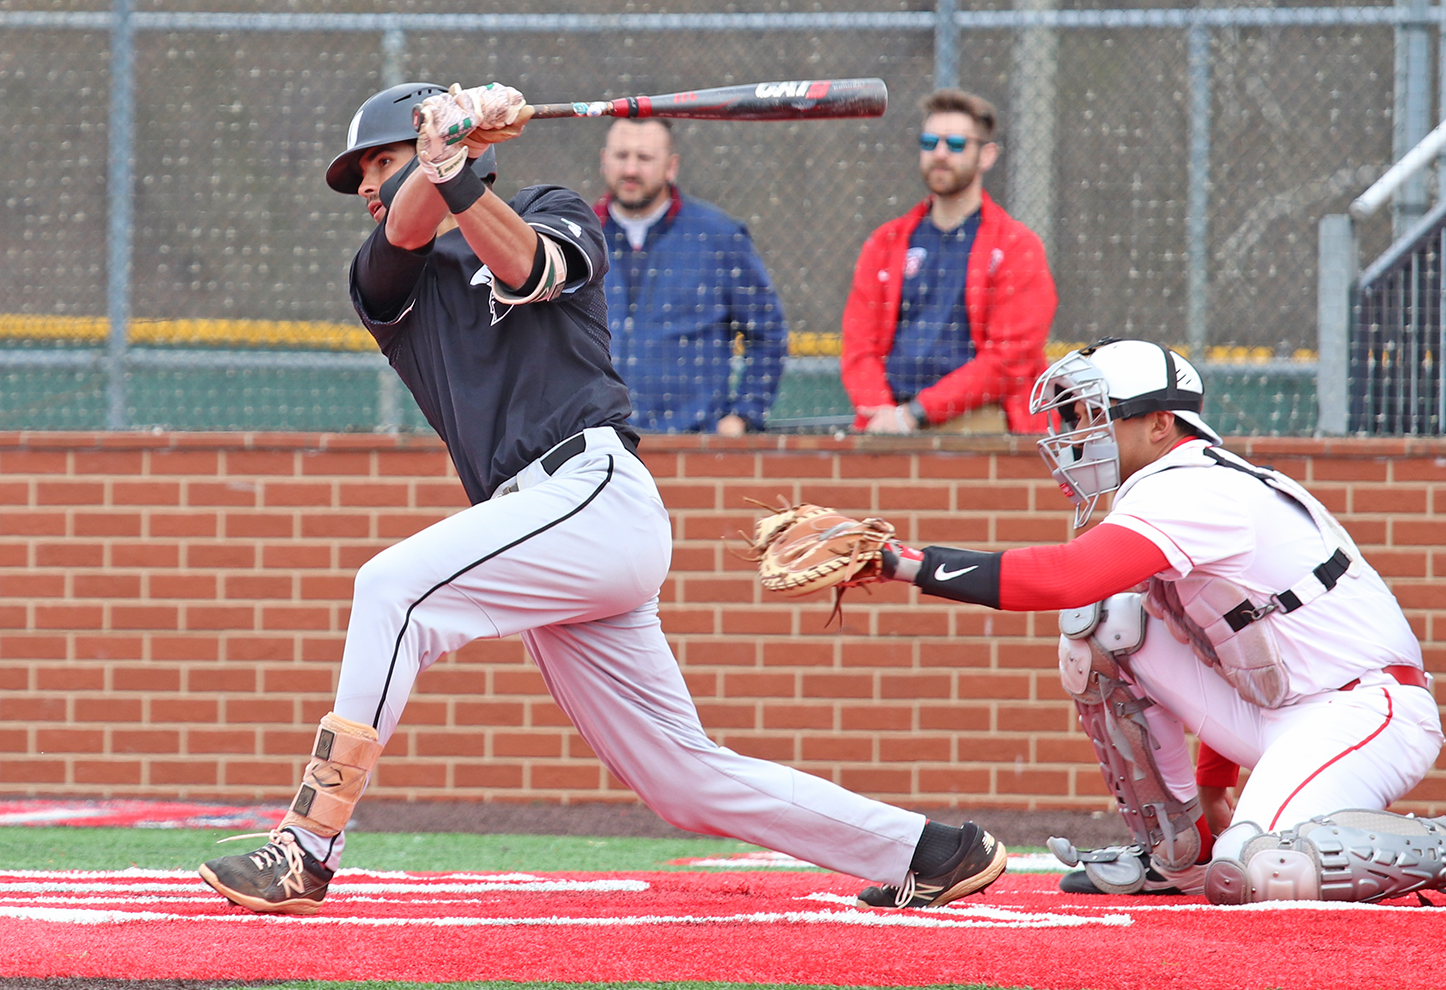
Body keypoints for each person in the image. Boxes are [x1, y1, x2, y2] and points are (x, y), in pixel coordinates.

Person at [197, 81, 1007, 916]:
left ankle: (307, 848)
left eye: (382, 160)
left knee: (390, 589)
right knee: (680, 779)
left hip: (592, 494)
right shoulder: (386, 278)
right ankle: (929, 850)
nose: (367, 184)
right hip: (535, 529)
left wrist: (453, 164)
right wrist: (441, 158)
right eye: (362, 172)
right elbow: (406, 225)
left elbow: (527, 268)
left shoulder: (551, 209)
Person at [844, 337, 1446, 906]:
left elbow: (1065, 576)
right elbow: (1232, 644)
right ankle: (1176, 854)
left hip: (1366, 711)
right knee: (1105, 623)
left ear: (1161, 423)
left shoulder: (1195, 486)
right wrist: (1215, 783)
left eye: (1094, 415)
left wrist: (901, 562)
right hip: (1284, 709)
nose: (1075, 433)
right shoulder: (1170, 485)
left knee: (1261, 871)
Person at [840, 89, 1056, 435]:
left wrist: (918, 413)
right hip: (890, 417)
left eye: (955, 144)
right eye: (930, 142)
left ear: (986, 155)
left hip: (979, 417)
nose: (940, 153)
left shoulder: (1017, 246)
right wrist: (884, 412)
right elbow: (858, 347)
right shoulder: (885, 243)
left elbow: (1009, 360)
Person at [594, 118, 789, 435]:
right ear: (604, 160)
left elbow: (768, 332)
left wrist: (743, 416)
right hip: (594, 443)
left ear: (671, 167)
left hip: (692, 441)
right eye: (621, 156)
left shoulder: (717, 237)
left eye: (644, 158)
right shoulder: (576, 236)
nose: (630, 169)